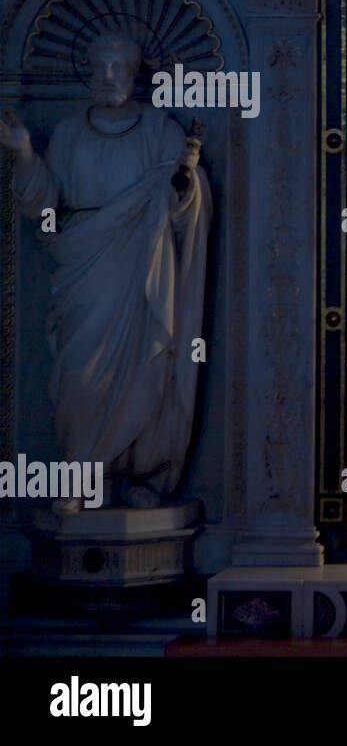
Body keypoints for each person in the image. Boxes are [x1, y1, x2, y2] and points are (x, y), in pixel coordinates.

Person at [0, 31, 211, 510]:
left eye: (117, 68)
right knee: (78, 376)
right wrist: (24, 152)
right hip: (82, 265)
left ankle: (140, 475)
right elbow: (43, 204)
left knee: (146, 367)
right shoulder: (72, 133)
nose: (107, 77)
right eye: (99, 68)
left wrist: (184, 185)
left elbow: (184, 210)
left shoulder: (161, 130)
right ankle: (82, 474)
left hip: (142, 268)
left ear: (134, 75)